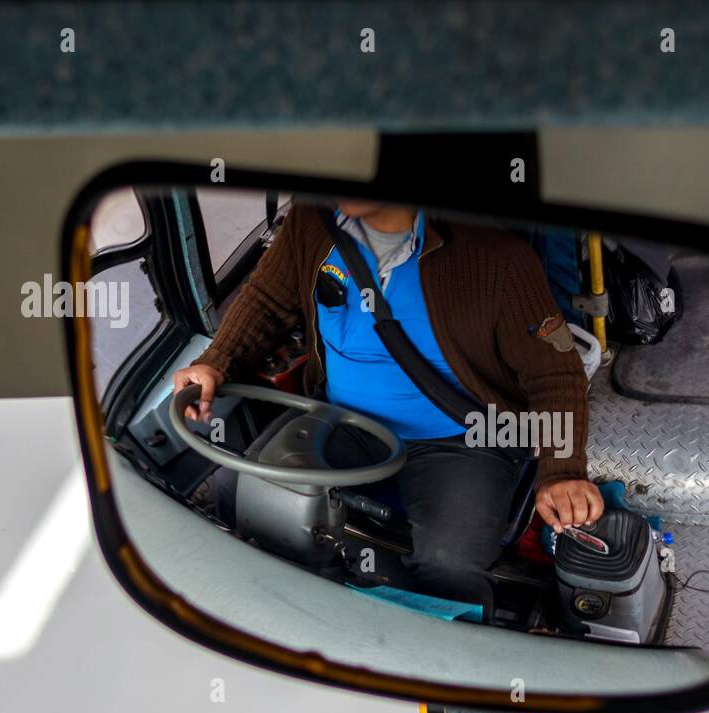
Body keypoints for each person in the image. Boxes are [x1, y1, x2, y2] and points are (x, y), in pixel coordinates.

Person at [173, 200, 604, 615]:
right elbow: (268, 299)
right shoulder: (311, 219)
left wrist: (563, 470)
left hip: (462, 438)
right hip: (344, 419)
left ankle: (446, 664)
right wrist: (216, 362)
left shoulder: (497, 257)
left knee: (448, 564)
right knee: (238, 490)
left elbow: (554, 374)